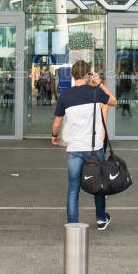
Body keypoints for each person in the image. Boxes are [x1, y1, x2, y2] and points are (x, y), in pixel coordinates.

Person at [51, 60, 117, 230]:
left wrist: (54, 136)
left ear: (73, 74)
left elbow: (57, 122)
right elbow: (114, 101)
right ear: (88, 74)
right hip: (94, 148)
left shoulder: (66, 96)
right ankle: (101, 219)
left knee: (73, 188)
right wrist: (99, 82)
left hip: (74, 149)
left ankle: (73, 225)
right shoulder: (95, 92)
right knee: (98, 184)